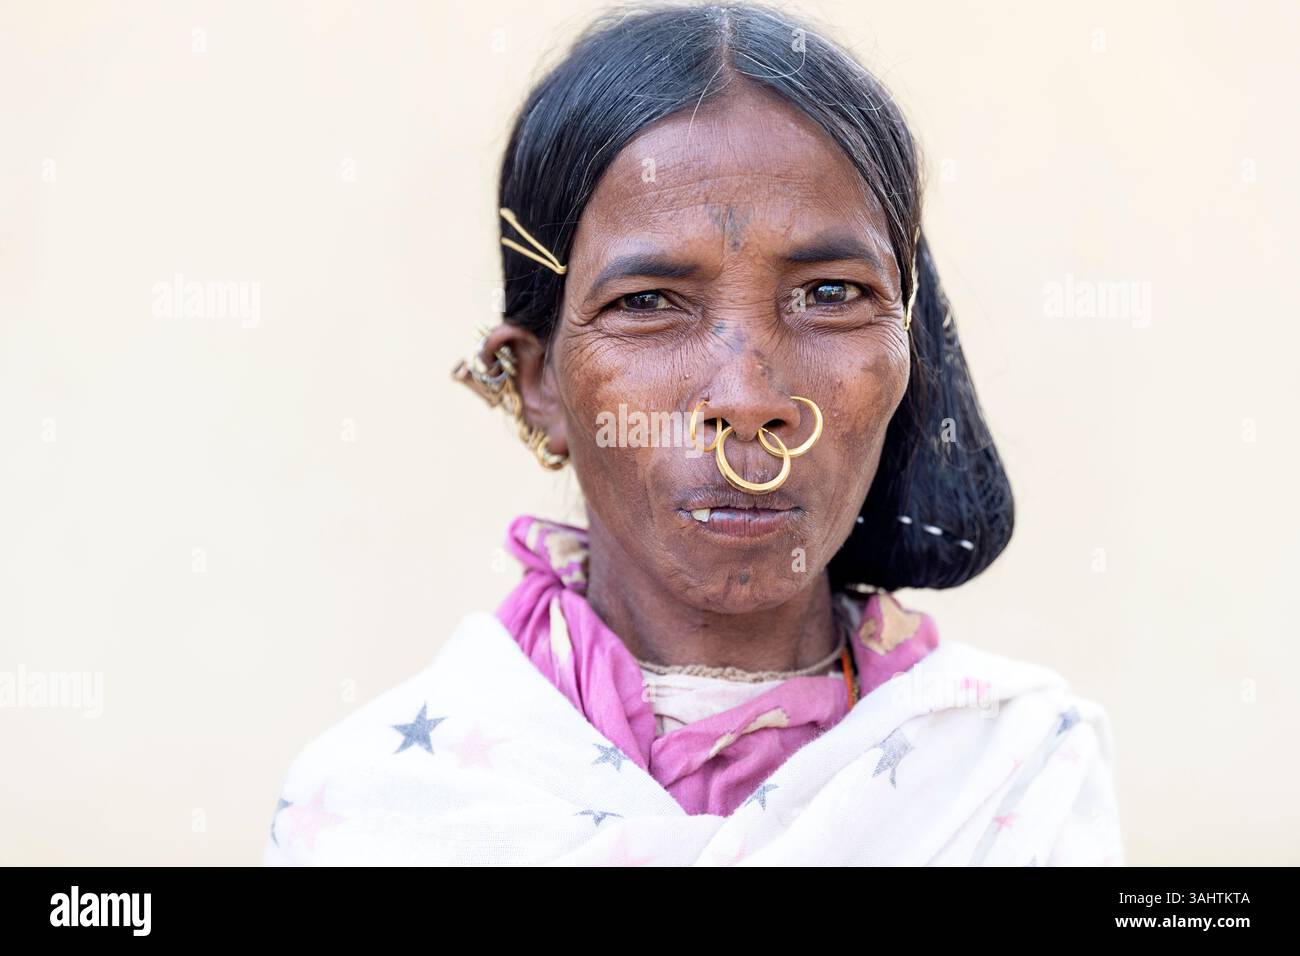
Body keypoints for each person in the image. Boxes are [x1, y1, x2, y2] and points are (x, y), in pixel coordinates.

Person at [263, 1, 1124, 865]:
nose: (749, 399)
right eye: (646, 304)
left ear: (908, 345)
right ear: (536, 385)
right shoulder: (383, 812)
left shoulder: (1007, 776)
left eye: (831, 293)